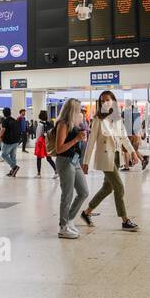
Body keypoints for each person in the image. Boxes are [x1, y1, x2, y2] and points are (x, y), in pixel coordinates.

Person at [79, 90, 140, 231]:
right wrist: (86, 161)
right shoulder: (97, 120)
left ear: (113, 101)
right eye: (102, 101)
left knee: (108, 188)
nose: (104, 102)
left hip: (117, 156)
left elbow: (124, 137)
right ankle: (125, 220)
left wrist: (133, 153)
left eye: (107, 100)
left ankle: (86, 212)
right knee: (119, 187)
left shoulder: (117, 118)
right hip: (106, 157)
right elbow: (91, 142)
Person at [53, 99, 89, 238]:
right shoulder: (63, 124)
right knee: (67, 195)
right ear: (72, 110)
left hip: (75, 161)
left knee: (83, 192)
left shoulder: (74, 123)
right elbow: (59, 148)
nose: (80, 111)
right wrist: (76, 139)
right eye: (78, 109)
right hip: (65, 161)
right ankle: (63, 227)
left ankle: (69, 219)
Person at [123, 103, 149, 170]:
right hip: (136, 135)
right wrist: (141, 134)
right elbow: (139, 125)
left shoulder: (125, 112)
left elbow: (120, 119)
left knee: (126, 150)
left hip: (129, 134)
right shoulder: (137, 114)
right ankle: (143, 159)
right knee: (134, 149)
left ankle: (127, 166)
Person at [0, 106, 21, 176]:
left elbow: (2, 131)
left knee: (3, 154)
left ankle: (14, 167)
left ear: (3, 113)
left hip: (8, 141)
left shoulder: (5, 121)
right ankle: (13, 172)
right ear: (10, 113)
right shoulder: (14, 120)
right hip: (16, 141)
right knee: (13, 156)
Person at [34, 110, 57, 177]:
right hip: (47, 142)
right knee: (49, 158)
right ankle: (56, 171)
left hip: (41, 142)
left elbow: (38, 134)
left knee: (39, 158)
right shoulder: (49, 124)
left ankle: (39, 173)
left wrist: (36, 142)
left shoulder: (40, 124)